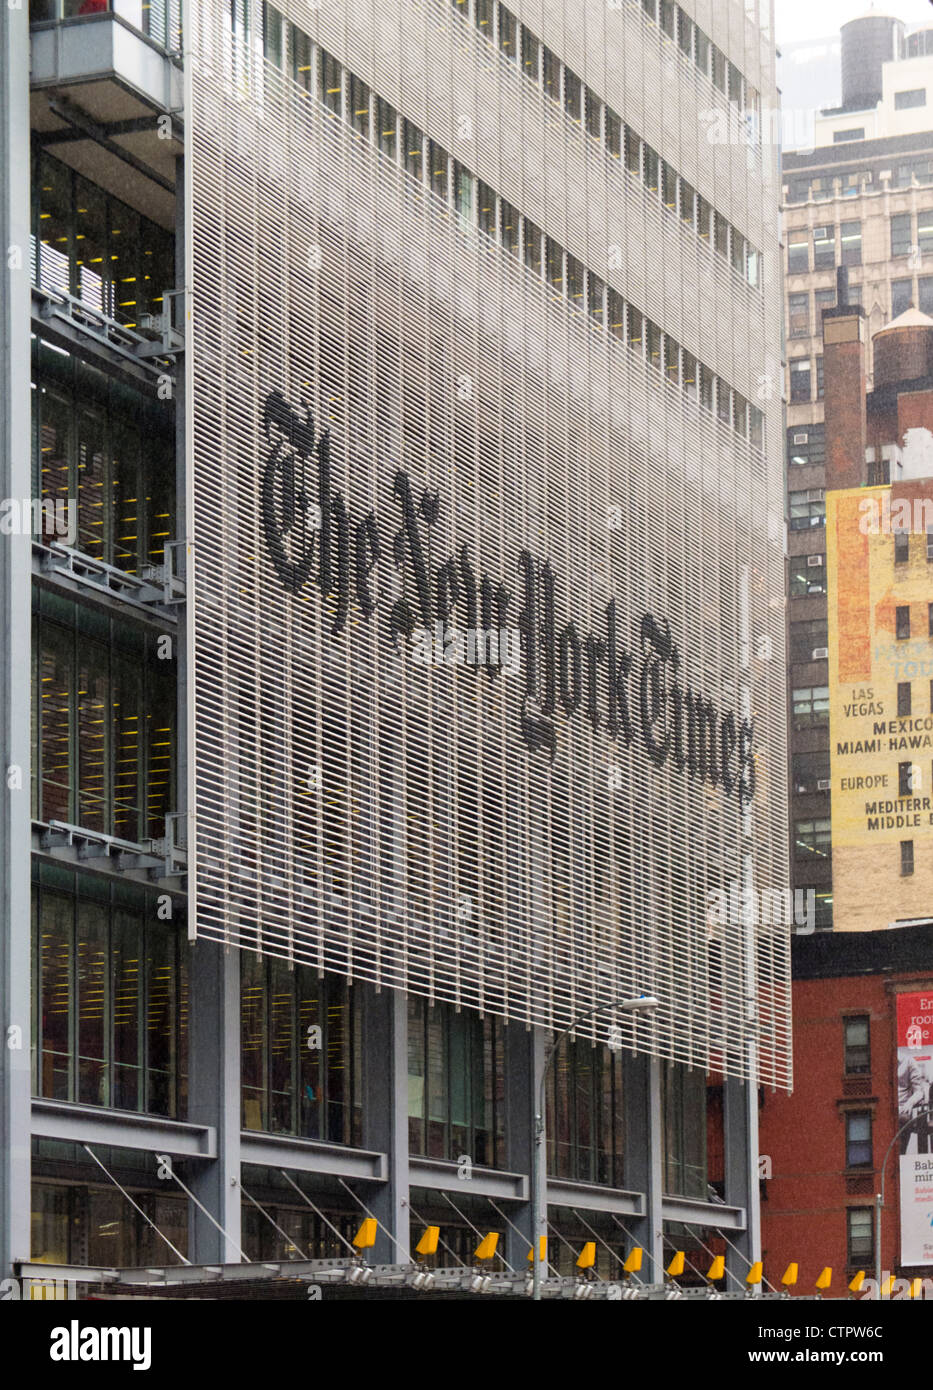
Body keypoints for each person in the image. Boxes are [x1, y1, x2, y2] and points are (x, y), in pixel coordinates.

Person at [899, 1054, 928, 1154]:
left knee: (903, 1119)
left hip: (903, 1107)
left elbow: (919, 1092)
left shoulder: (909, 1062)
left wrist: (909, 1103)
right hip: (885, 1106)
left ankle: (901, 1156)